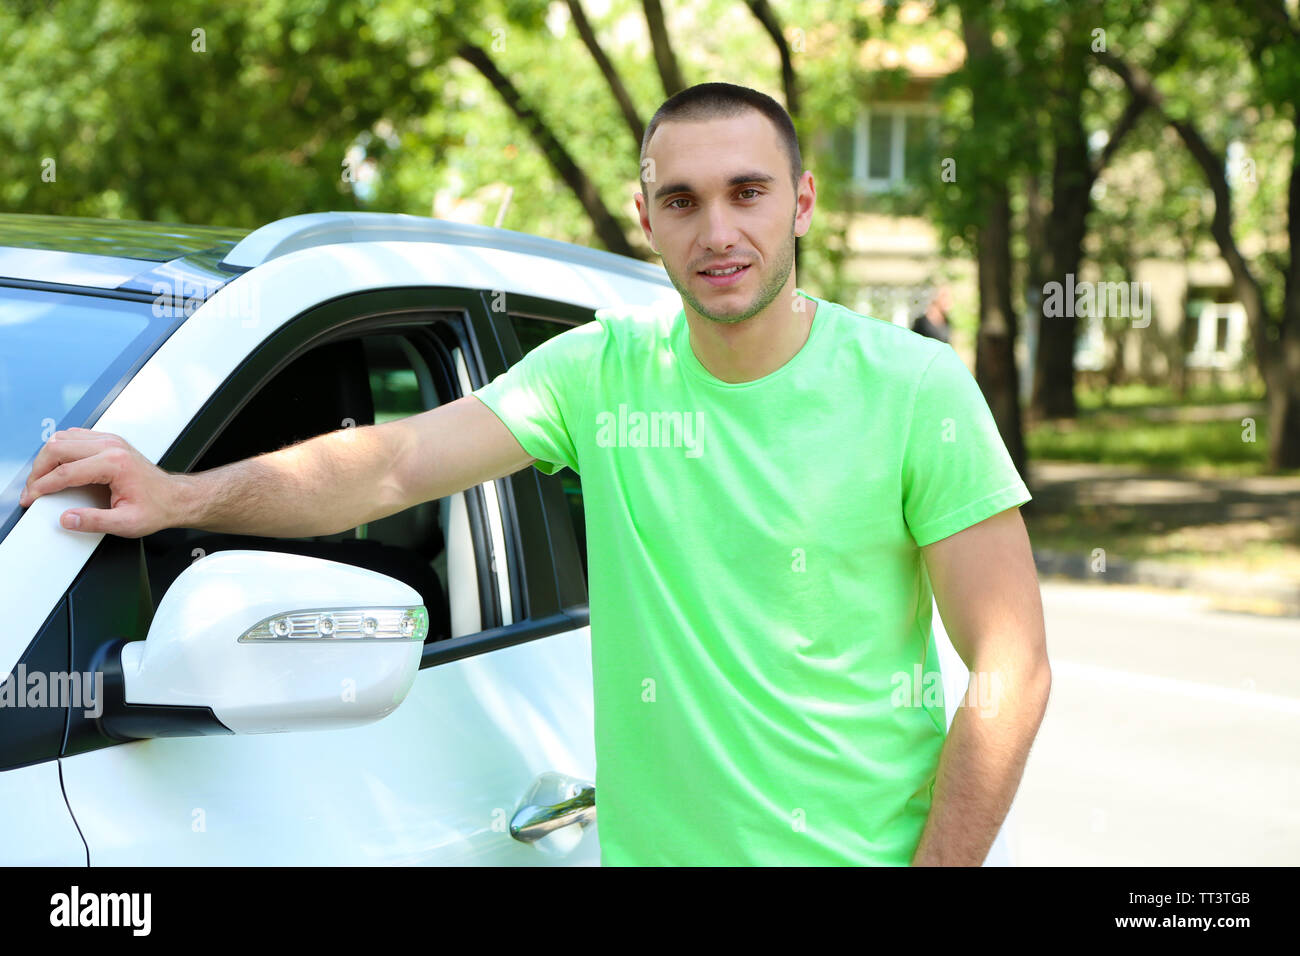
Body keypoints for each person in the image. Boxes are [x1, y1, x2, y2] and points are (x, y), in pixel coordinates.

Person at [18, 81, 1049, 867]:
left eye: (747, 192)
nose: (718, 230)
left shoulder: (915, 388)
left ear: (802, 203)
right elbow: (392, 462)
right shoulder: (603, 370)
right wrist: (184, 494)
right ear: (646, 220)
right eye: (681, 201)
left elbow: (1010, 667)